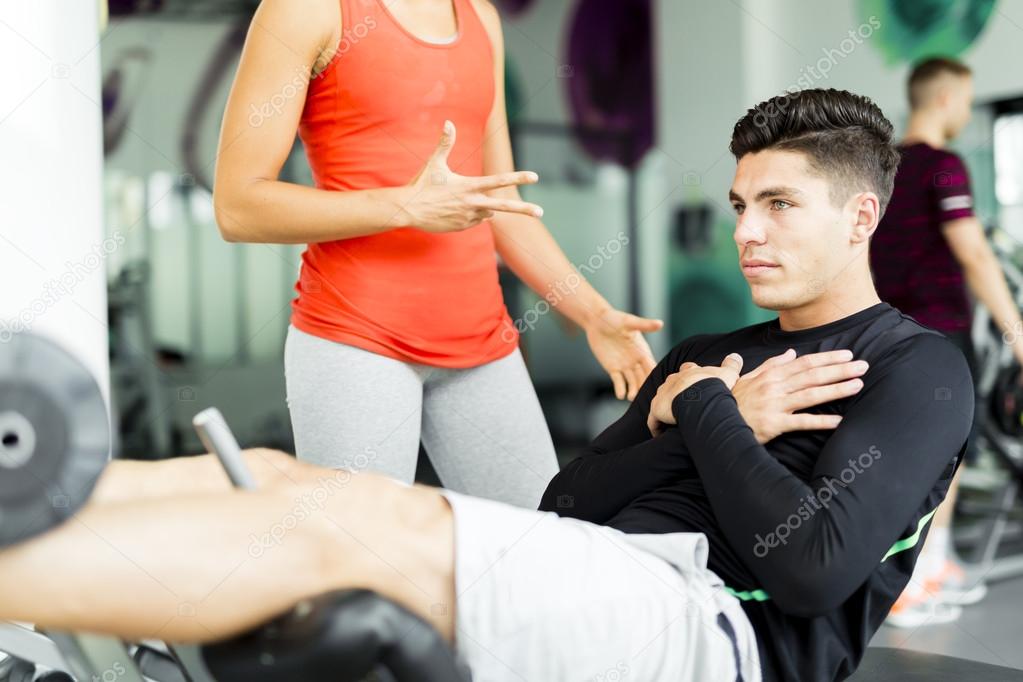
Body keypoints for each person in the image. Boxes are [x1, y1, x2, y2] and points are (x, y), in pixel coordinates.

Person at [0, 89, 971, 682]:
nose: (745, 232)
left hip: (714, 634)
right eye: (738, 206)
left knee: (334, 538)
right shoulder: (710, 347)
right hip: (602, 574)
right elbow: (567, 504)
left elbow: (807, 566)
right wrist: (689, 420)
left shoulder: (915, 367)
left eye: (778, 205)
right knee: (281, 480)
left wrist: (711, 408)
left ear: (860, 217)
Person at [212, 0, 663, 509]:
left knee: (537, 545)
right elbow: (238, 205)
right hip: (356, 339)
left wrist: (593, 314)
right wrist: (405, 206)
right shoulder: (306, 10)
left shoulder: (480, 18)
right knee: (363, 572)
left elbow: (501, 204)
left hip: (482, 345)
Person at [869, 56, 1023, 626]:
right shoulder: (942, 165)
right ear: (942, 99)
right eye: (964, 98)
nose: (963, 109)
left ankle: (932, 566)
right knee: (936, 457)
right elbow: (974, 253)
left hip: (884, 330)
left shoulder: (880, 170)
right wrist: (1018, 333)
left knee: (926, 456)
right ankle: (904, 587)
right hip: (936, 331)